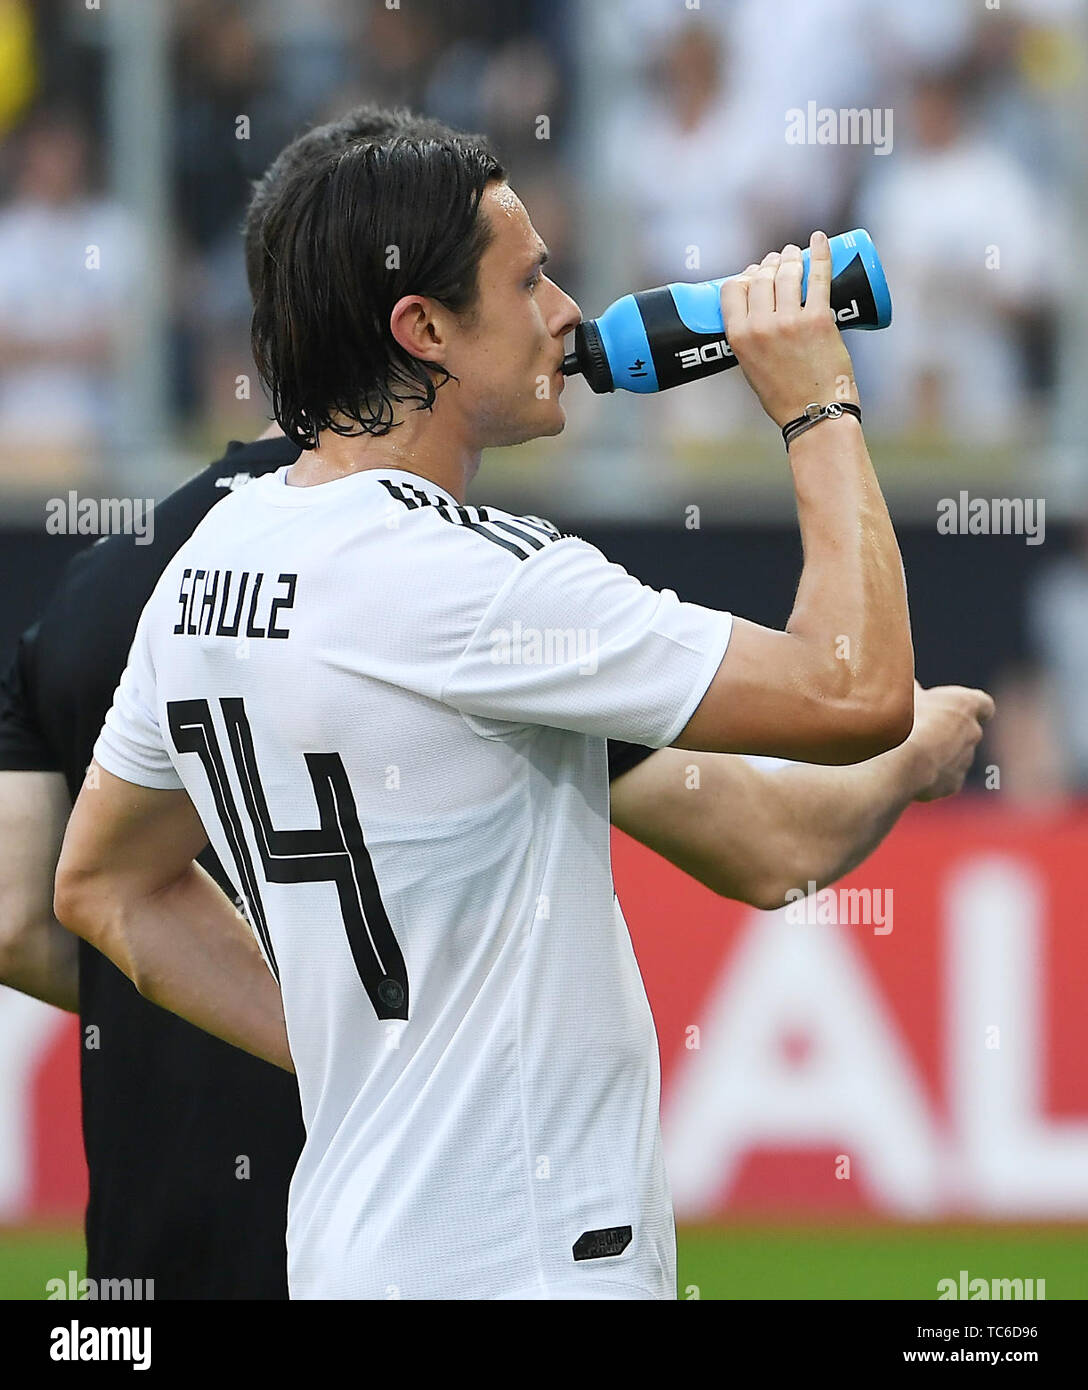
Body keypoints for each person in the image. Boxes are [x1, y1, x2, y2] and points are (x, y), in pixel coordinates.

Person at [49, 111, 995, 1301]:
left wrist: (364, 1062)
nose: (565, 311)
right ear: (423, 327)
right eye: (530, 276)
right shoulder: (482, 582)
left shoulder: (206, 567)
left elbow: (102, 885)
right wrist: (815, 407)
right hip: (531, 1260)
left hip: (343, 1253)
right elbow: (853, 687)